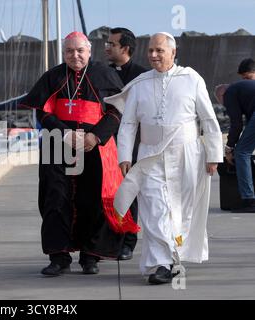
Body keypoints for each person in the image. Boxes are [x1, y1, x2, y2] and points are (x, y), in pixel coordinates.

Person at [104, 32, 222, 284]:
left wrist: (213, 154)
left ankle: (175, 252)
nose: (154, 55)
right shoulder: (140, 84)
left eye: (159, 50)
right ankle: (161, 263)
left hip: (187, 153)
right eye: (150, 51)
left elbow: (209, 119)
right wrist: (125, 155)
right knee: (154, 208)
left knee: (182, 209)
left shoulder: (192, 79)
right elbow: (127, 124)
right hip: (150, 154)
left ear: (173, 52)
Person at [19, 31, 139, 277]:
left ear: (89, 51)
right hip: (57, 142)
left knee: (94, 199)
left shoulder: (105, 75)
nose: (75, 55)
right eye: (69, 51)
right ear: (64, 53)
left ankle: (90, 255)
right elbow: (42, 113)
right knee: (55, 198)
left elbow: (117, 112)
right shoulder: (53, 76)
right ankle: (58, 256)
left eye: (80, 50)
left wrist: (95, 136)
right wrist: (64, 133)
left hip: (95, 144)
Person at [105, 27, 148, 261]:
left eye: (112, 44)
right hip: (103, 142)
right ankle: (107, 240)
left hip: (130, 145)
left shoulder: (143, 77)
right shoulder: (101, 72)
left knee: (128, 192)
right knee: (105, 193)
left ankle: (127, 242)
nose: (107, 47)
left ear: (125, 48)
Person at [215, 58, 255, 212]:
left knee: (242, 153)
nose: (225, 105)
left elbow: (236, 124)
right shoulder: (244, 89)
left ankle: (249, 200)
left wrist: (230, 148)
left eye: (222, 102)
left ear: (222, 95)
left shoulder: (230, 92)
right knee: (243, 150)